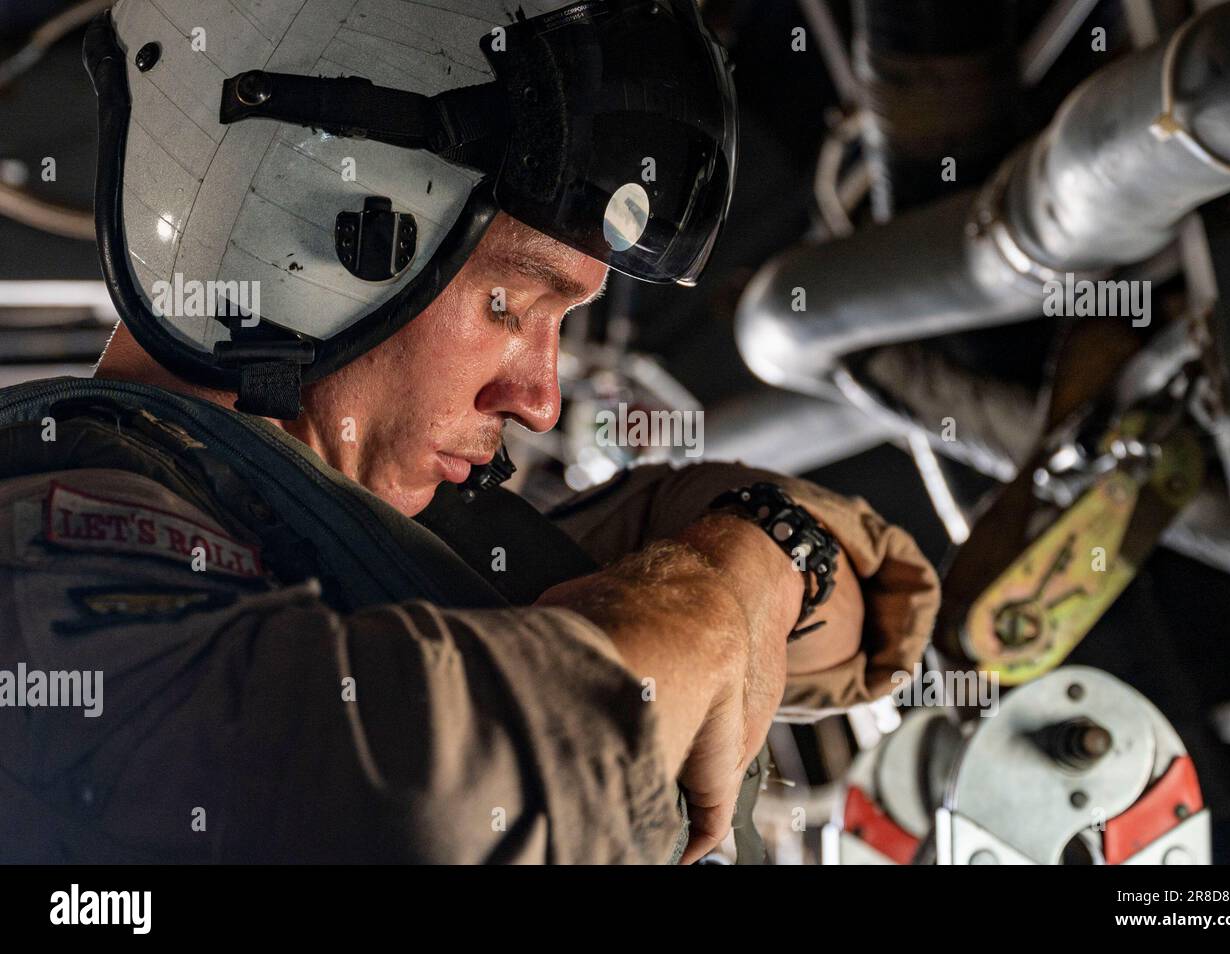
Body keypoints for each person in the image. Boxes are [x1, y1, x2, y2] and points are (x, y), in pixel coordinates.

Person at [0, 0, 938, 864]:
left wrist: (758, 557)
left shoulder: (397, 541)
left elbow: (870, 609)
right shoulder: (43, 540)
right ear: (308, 226)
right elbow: (407, 804)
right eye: (511, 302)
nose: (540, 400)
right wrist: (704, 603)